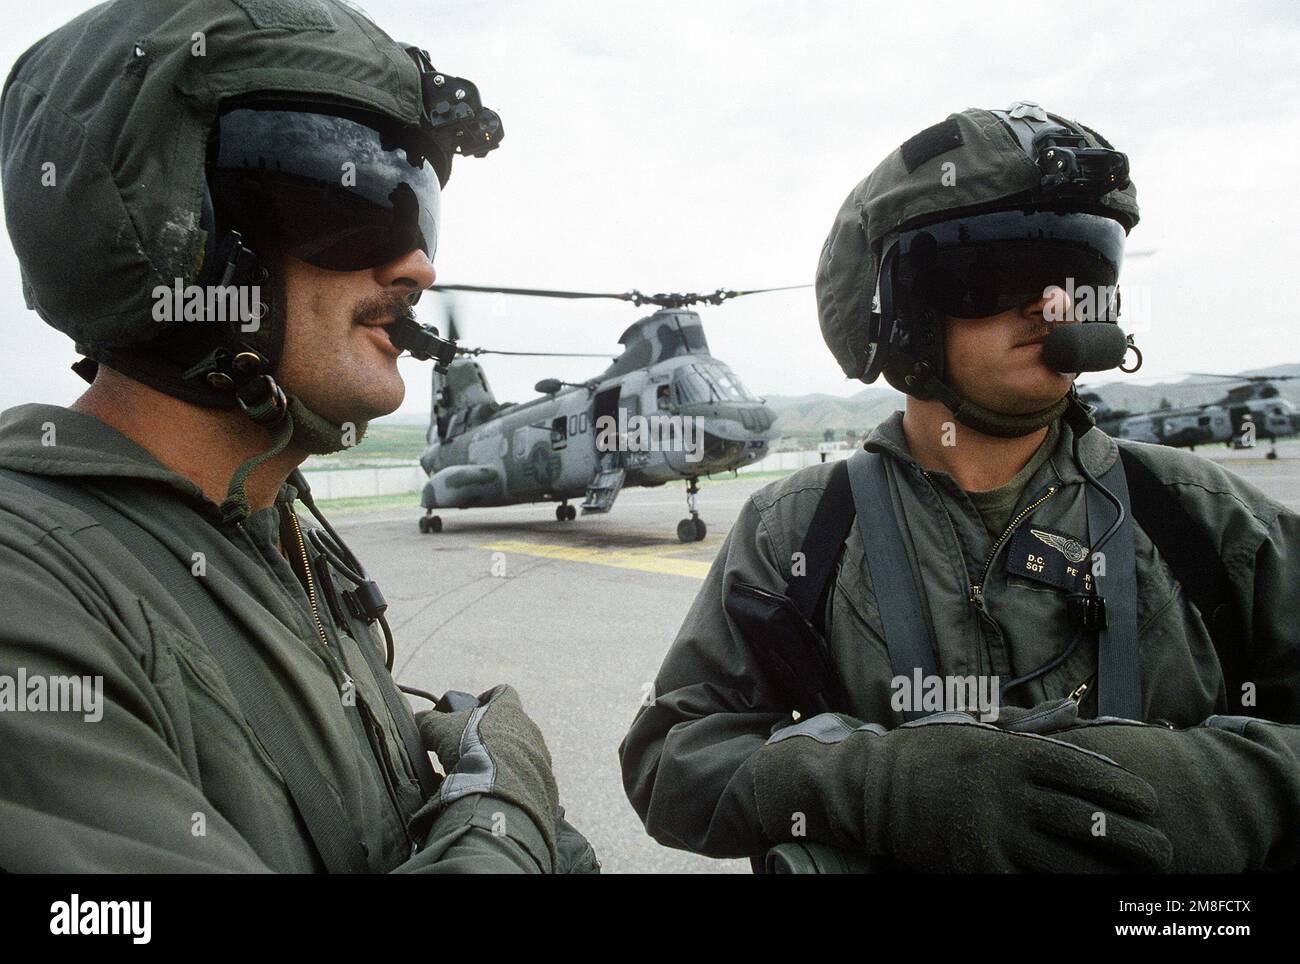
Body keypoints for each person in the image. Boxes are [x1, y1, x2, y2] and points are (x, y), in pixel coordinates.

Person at [620, 101, 1300, 873]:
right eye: (1002, 273)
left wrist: (1219, 788)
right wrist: (881, 785)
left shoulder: (1204, 516)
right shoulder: (799, 529)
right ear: (903, 312)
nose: (1055, 304)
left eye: (1080, 274)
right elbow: (670, 759)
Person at [0, 0, 591, 873]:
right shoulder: (34, 595)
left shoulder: (279, 520)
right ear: (182, 229)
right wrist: (506, 807)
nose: (416, 266)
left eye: (416, 208)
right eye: (346, 194)